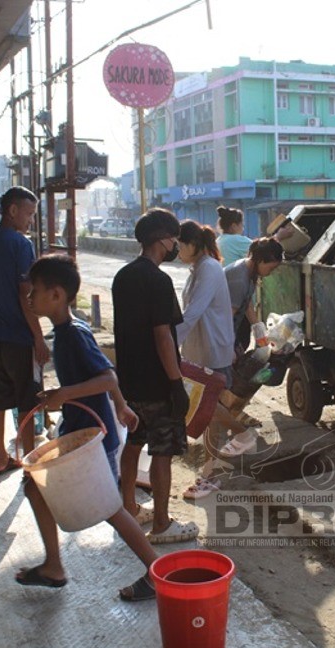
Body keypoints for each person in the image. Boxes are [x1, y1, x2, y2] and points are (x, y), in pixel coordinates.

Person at [15, 254, 158, 600]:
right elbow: (103, 377)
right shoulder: (67, 331)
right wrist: (120, 406)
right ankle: (53, 566)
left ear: (57, 294)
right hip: (80, 431)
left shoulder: (72, 336)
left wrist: (64, 394)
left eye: (34, 291)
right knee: (35, 488)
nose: (29, 298)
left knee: (110, 509)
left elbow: (108, 375)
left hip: (91, 438)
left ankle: (156, 573)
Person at [112, 208, 199, 544]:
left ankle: (129, 509)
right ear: (163, 239)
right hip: (158, 384)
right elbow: (164, 336)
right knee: (162, 452)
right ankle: (162, 523)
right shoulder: (159, 280)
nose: (176, 244)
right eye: (174, 238)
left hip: (130, 381)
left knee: (133, 444)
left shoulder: (123, 276)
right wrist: (176, 384)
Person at [174, 221, 258, 498]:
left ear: (192, 244)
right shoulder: (198, 268)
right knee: (206, 412)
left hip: (212, 349)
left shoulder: (209, 268)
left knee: (206, 410)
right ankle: (210, 474)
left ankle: (238, 439)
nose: (176, 249)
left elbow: (192, 312)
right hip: (200, 349)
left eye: (179, 244)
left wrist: (169, 343)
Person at [0, 187, 51, 477]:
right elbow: (25, 294)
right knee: (28, 402)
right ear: (12, 210)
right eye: (29, 213)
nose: (31, 220)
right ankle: (29, 463)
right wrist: (38, 337)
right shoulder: (20, 245)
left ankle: (1, 458)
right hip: (20, 337)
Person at [224, 237, 284, 356]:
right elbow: (226, 318)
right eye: (271, 268)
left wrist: (259, 330)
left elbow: (246, 302)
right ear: (261, 261)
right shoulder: (240, 280)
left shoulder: (248, 268)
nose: (271, 272)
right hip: (217, 333)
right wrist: (227, 348)